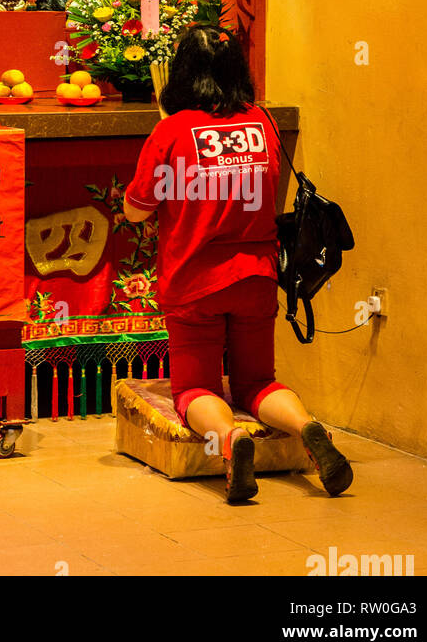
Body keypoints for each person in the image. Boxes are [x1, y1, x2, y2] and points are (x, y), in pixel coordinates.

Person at [123, 26, 353, 504]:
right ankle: (308, 427)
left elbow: (136, 208)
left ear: (182, 72)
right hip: (256, 275)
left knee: (196, 389)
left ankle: (230, 441)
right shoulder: (261, 122)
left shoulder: (172, 130)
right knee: (256, 382)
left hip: (194, 281)